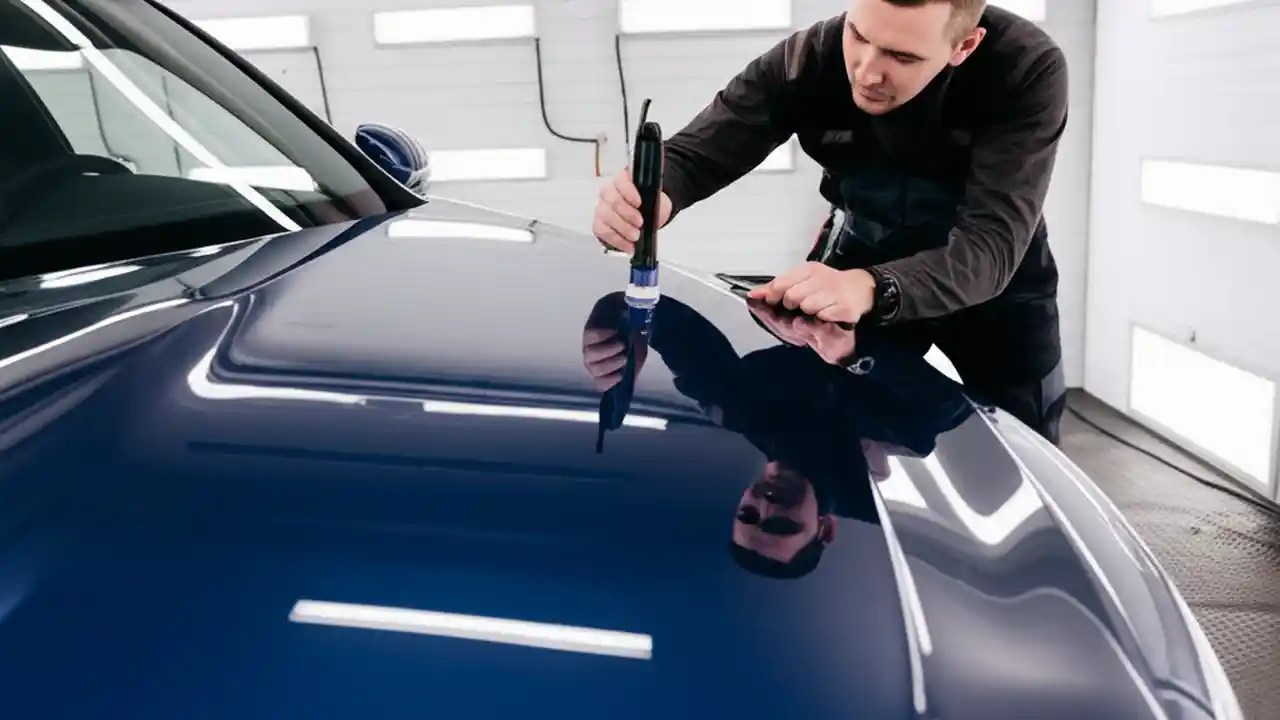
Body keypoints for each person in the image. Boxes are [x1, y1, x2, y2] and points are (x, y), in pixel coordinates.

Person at [591, 0, 1070, 444]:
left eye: (902, 57)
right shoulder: (809, 58)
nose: (866, 72)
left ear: (964, 46)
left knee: (1026, 445)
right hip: (859, 259)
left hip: (994, 285)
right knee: (817, 414)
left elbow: (989, 245)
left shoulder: (1024, 69)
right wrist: (649, 197)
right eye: (858, 35)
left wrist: (873, 287)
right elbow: (697, 153)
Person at [581, 291, 973, 578]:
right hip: (956, 280)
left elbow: (671, 327)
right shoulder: (900, 477)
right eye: (782, 526)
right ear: (825, 528)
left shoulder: (743, 412)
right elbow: (957, 397)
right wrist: (854, 352)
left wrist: (617, 321)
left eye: (748, 515)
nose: (766, 507)